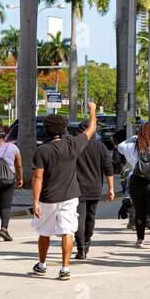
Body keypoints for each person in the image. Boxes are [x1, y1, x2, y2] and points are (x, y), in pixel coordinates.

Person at [30, 103, 98, 281]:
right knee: (67, 231)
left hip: (48, 198)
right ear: (63, 128)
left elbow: (38, 177)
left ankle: (42, 264)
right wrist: (92, 110)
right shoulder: (73, 145)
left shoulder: (41, 151)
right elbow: (91, 129)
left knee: (44, 231)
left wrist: (35, 201)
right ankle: (65, 268)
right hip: (70, 196)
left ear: (46, 130)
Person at [118, 122, 150, 249]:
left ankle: (140, 239)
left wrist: (134, 137)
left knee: (139, 210)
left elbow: (120, 146)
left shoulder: (132, 146)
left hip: (136, 180)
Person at [74, 132, 116, 259]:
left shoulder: (74, 146)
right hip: (95, 188)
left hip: (77, 189)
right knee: (90, 217)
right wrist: (111, 188)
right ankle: (87, 241)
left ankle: (81, 247)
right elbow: (108, 168)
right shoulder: (100, 147)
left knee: (78, 219)